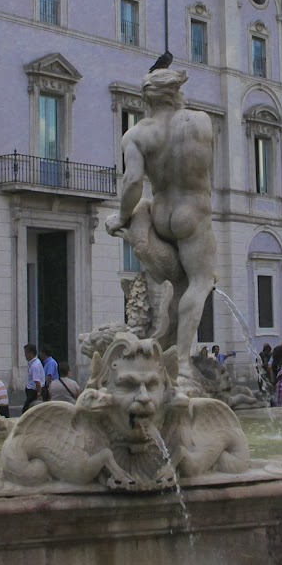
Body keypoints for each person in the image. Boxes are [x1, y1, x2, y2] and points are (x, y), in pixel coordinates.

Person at [104, 65, 216, 380]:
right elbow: (209, 175)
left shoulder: (137, 134)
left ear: (147, 100)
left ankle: (163, 342)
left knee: (180, 284)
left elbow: (133, 183)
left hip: (161, 212)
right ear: (177, 93)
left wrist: (122, 217)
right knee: (200, 282)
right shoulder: (202, 122)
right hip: (192, 212)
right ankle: (181, 364)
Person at [23, 343, 44, 413]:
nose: (25, 355)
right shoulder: (34, 363)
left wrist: (39, 393)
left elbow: (37, 381)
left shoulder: (35, 365)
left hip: (33, 392)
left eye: (26, 353)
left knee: (26, 410)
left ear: (31, 353)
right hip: (31, 391)